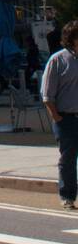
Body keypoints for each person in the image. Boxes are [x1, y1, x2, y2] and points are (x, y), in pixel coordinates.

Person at [41, 19, 78, 211]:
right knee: (68, 159)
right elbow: (47, 95)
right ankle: (68, 196)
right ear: (72, 39)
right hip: (67, 118)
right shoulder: (58, 60)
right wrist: (57, 117)